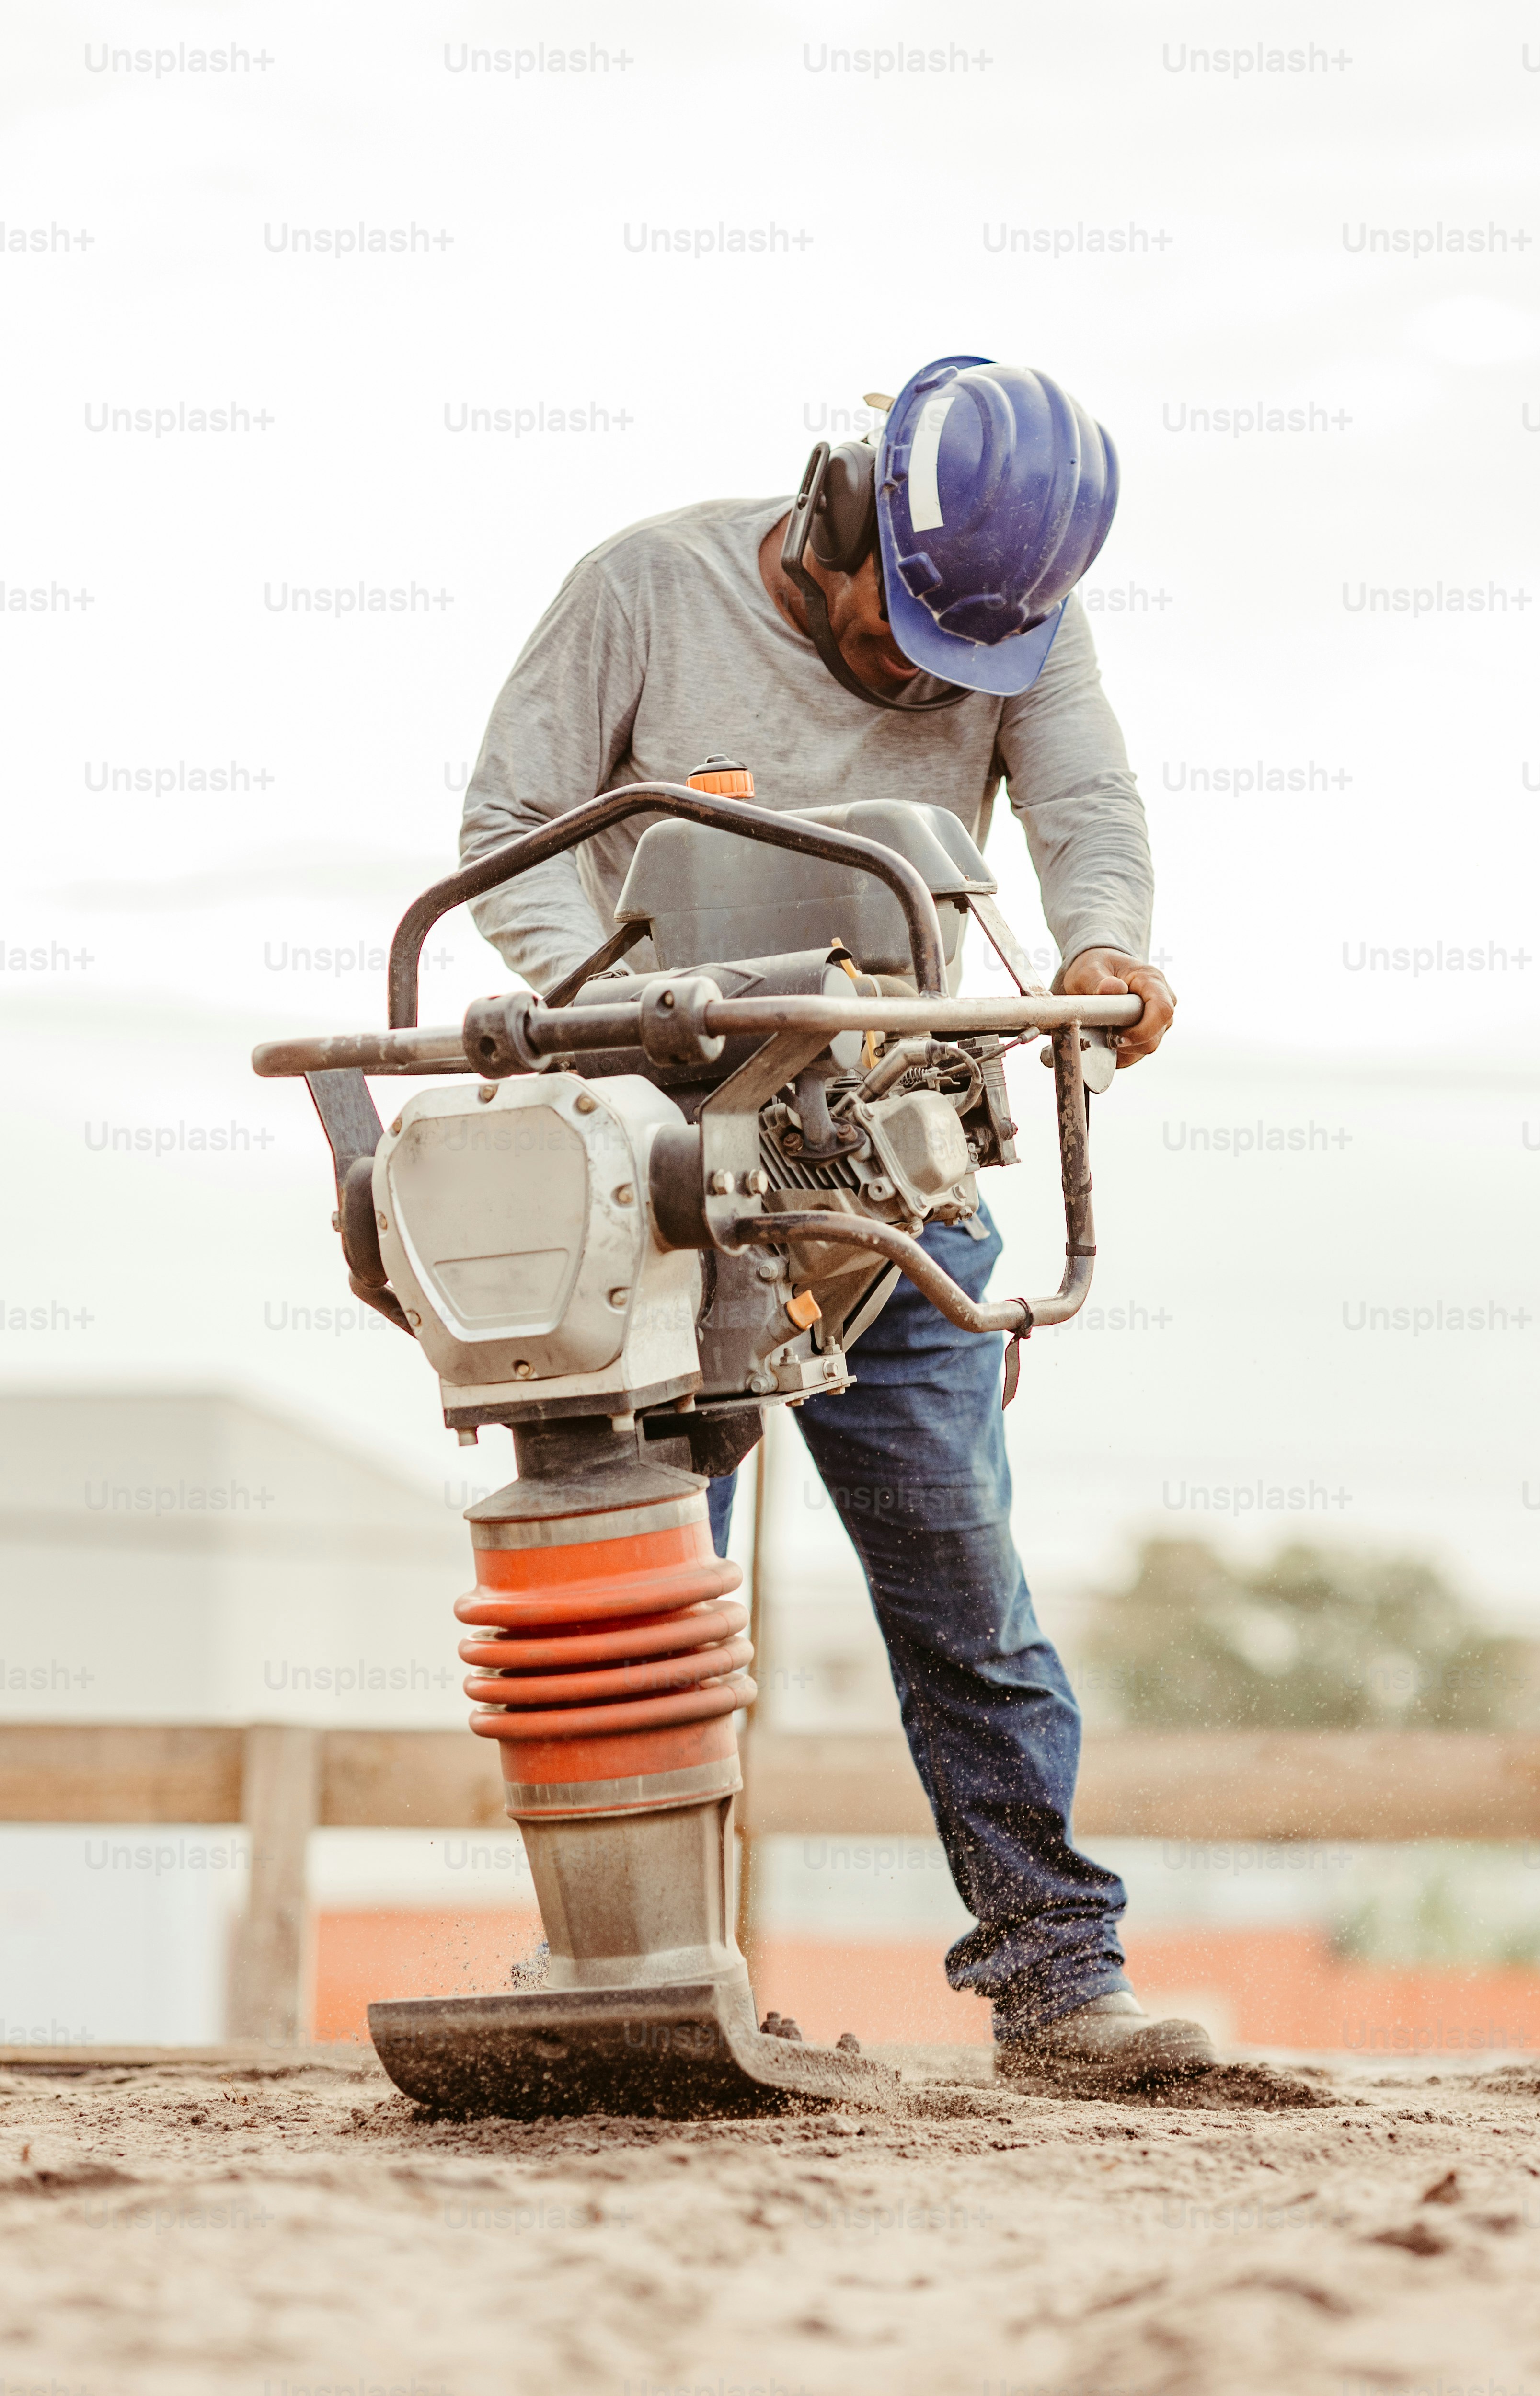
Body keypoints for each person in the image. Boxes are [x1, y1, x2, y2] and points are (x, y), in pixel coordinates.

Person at [458, 353, 1209, 2089]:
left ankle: (1058, 1978)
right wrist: (608, 1004)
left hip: (891, 1161)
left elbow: (1088, 810)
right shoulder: (650, 586)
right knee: (649, 1572)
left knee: (962, 1575)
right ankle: (652, 1972)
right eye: (902, 634)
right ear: (835, 515)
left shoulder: (1022, 617)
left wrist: (1102, 942)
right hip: (655, 1160)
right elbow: (510, 827)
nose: (922, 678)